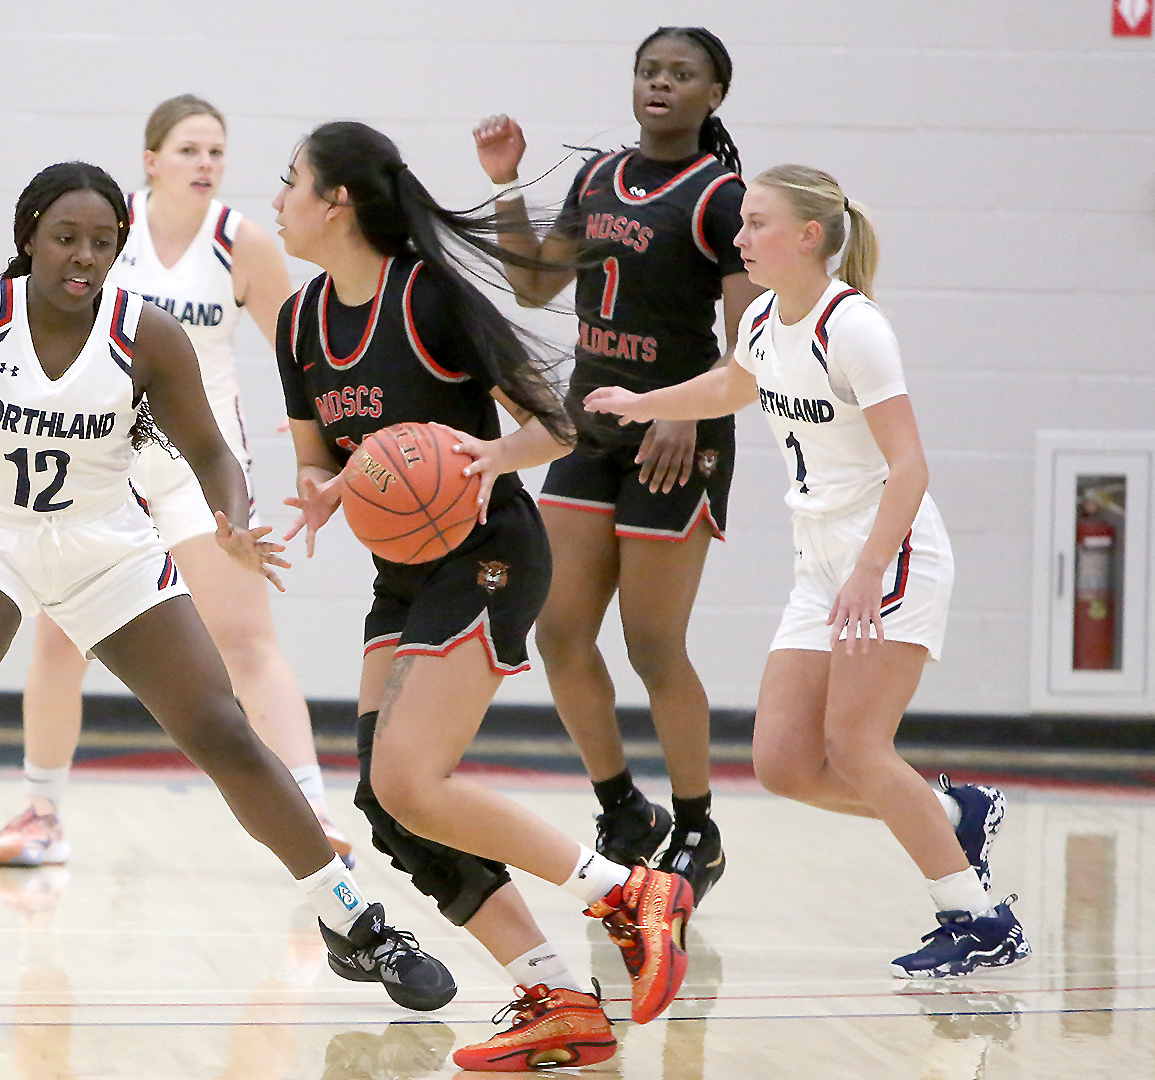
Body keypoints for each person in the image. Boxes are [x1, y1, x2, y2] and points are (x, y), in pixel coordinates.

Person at [0, 161, 454, 1015]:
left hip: (108, 548)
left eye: (103, 243)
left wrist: (232, 517)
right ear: (28, 236)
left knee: (220, 726)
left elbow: (212, 450)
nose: (84, 257)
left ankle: (353, 924)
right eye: (66, 239)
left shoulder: (146, 334)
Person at [0, 94, 351, 868]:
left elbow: (298, 347)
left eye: (217, 151)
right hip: (110, 463)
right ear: (153, 159)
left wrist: (319, 428)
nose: (206, 163)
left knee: (244, 642)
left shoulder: (240, 242)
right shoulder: (102, 223)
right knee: (60, 641)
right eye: (190, 149)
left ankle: (315, 811)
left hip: (197, 461)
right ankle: (42, 812)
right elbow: (17, 307)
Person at [272, 121, 692, 1072]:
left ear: (337, 200)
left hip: (491, 551)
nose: (278, 197)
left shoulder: (425, 298)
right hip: (405, 575)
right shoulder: (300, 321)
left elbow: (558, 422)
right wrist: (321, 492)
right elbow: (314, 453)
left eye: (289, 180)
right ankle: (555, 994)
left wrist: (491, 458)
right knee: (389, 806)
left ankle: (626, 891)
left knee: (414, 778)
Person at [584, 164, 1029, 978]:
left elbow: (910, 467)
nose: (741, 236)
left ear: (809, 236)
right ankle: (952, 812)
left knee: (858, 747)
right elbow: (733, 384)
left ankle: (979, 918)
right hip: (819, 560)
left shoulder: (854, 328)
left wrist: (867, 569)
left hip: (886, 555)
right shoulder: (760, 315)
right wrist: (644, 403)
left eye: (756, 223)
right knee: (784, 765)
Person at [472, 26, 762, 902]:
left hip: (680, 436)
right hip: (592, 426)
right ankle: (622, 810)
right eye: (649, 71)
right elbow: (532, 286)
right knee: (557, 629)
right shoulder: (598, 177)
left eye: (681, 74)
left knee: (651, 643)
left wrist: (688, 406)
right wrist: (507, 183)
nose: (661, 84)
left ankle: (699, 826)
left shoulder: (721, 196)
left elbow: (749, 348)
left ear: (715, 95)